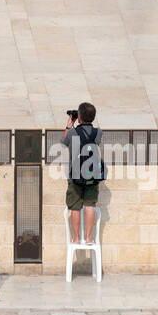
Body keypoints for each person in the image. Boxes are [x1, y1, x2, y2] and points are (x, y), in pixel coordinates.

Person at [61, 103, 103, 246]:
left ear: (78, 117)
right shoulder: (98, 132)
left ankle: (77, 238)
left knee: (75, 207)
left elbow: (64, 141)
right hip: (92, 175)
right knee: (90, 205)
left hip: (75, 176)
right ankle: (89, 238)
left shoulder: (73, 132)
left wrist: (69, 125)